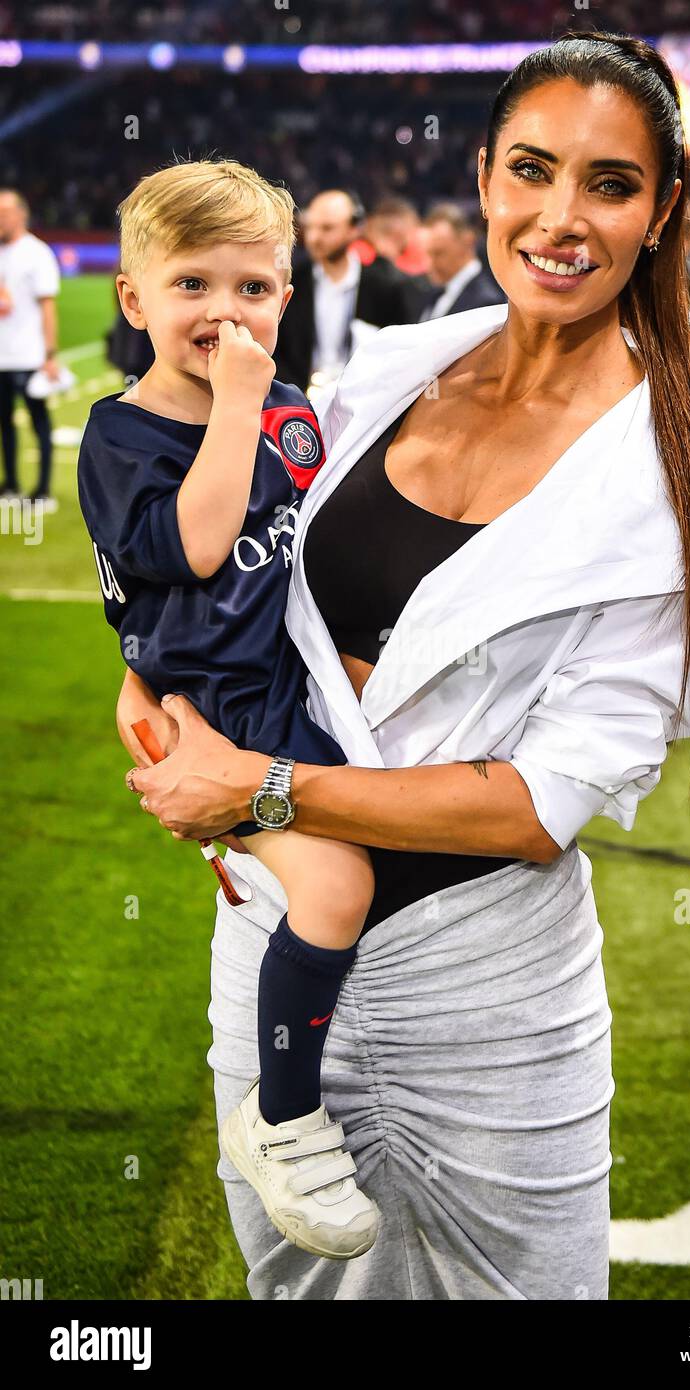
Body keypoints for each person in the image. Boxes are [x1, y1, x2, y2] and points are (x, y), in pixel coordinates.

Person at [123, 31, 690, 1301]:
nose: (560, 216)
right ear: (482, 175)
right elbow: (226, 606)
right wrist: (153, 697)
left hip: (484, 989)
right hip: (268, 942)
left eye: (609, 184)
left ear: (662, 212)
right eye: (531, 169)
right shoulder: (381, 375)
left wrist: (261, 790)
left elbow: (541, 803)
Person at [77, 158, 382, 1261]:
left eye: (252, 288)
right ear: (134, 299)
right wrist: (243, 405)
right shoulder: (121, 434)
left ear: (287, 296)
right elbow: (202, 545)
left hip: (296, 688)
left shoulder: (294, 412)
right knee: (338, 881)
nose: (224, 311)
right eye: (192, 285)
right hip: (215, 712)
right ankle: (283, 1117)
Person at [272, 189, 418, 393]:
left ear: (354, 229)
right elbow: (278, 351)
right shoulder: (292, 282)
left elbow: (401, 351)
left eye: (327, 228)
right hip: (301, 399)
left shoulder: (385, 286)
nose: (314, 237)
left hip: (366, 397)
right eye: (310, 227)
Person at [0, 188, 62, 509]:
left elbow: (48, 307)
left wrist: (50, 355)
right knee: (4, 424)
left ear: (22, 214)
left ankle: (43, 490)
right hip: (1, 357)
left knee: (39, 421)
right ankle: (10, 483)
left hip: (29, 355)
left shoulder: (37, 253)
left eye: (4, 213)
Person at [418, 202, 505, 319]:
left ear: (467, 241)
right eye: (427, 254)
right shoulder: (434, 294)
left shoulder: (486, 301)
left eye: (439, 253)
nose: (430, 264)